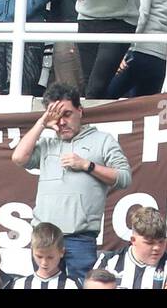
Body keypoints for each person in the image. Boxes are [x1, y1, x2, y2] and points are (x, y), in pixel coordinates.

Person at [10, 84, 133, 283]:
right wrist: (42, 123)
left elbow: (125, 177)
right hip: (45, 237)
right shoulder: (47, 144)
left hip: (80, 238)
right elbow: (18, 158)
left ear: (80, 110)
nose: (62, 122)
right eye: (56, 116)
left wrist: (87, 165)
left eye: (67, 114)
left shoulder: (102, 140)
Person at [93, 207, 167, 289]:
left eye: (161, 242)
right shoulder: (108, 262)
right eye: (150, 243)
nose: (157, 247)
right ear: (133, 240)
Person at [9, 222, 81, 289]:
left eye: (50, 257)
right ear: (32, 251)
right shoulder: (20, 285)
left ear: (62, 252)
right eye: (39, 256)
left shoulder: (71, 285)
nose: (44, 262)